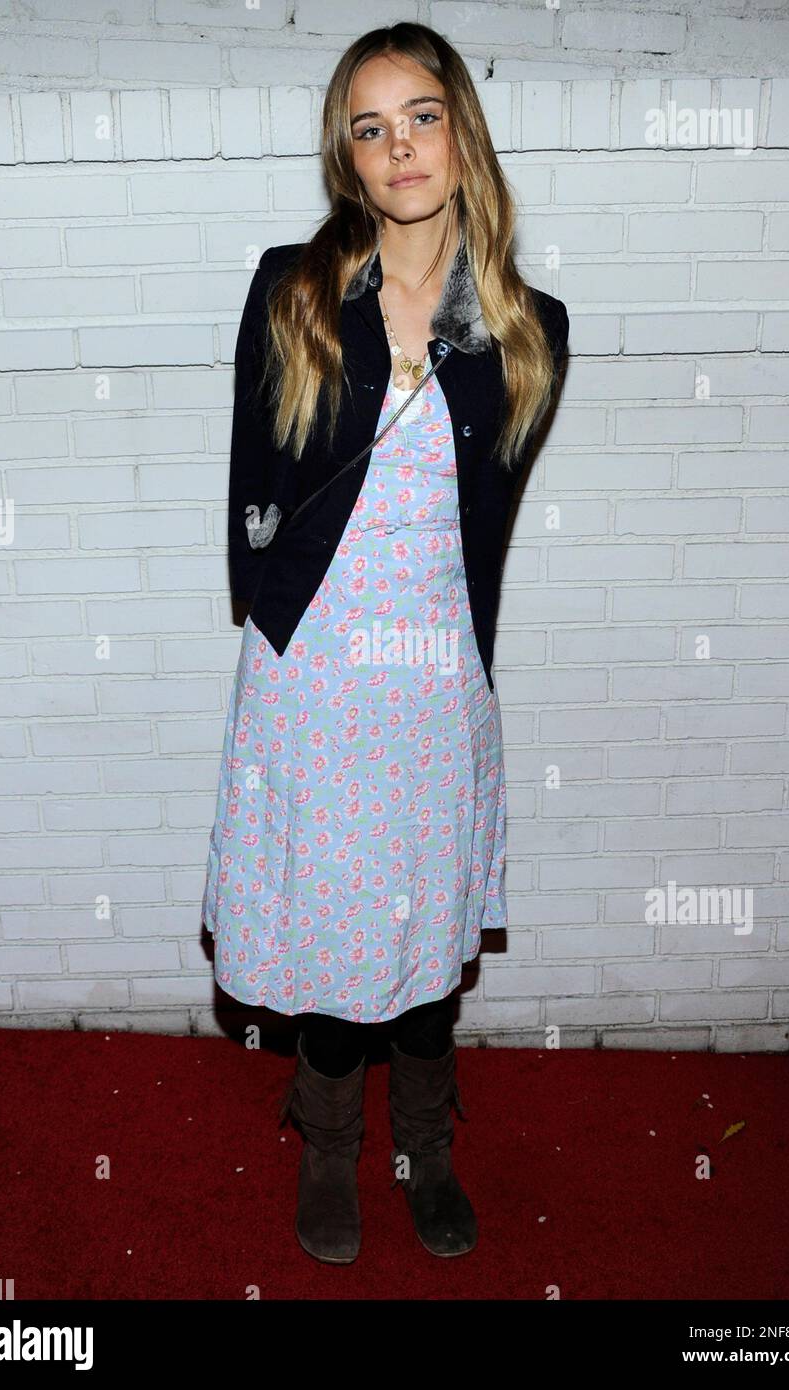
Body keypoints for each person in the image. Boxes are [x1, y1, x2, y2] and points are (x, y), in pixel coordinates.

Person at [202, 21, 569, 1265]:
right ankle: (327, 1149)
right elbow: (256, 474)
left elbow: (493, 508)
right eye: (370, 127)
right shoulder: (293, 287)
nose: (398, 146)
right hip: (313, 668)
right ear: (347, 159)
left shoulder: (528, 326)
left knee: (418, 942)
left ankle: (425, 1150)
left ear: (459, 132)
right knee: (326, 925)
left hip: (433, 671)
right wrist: (269, 602)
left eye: (419, 116)